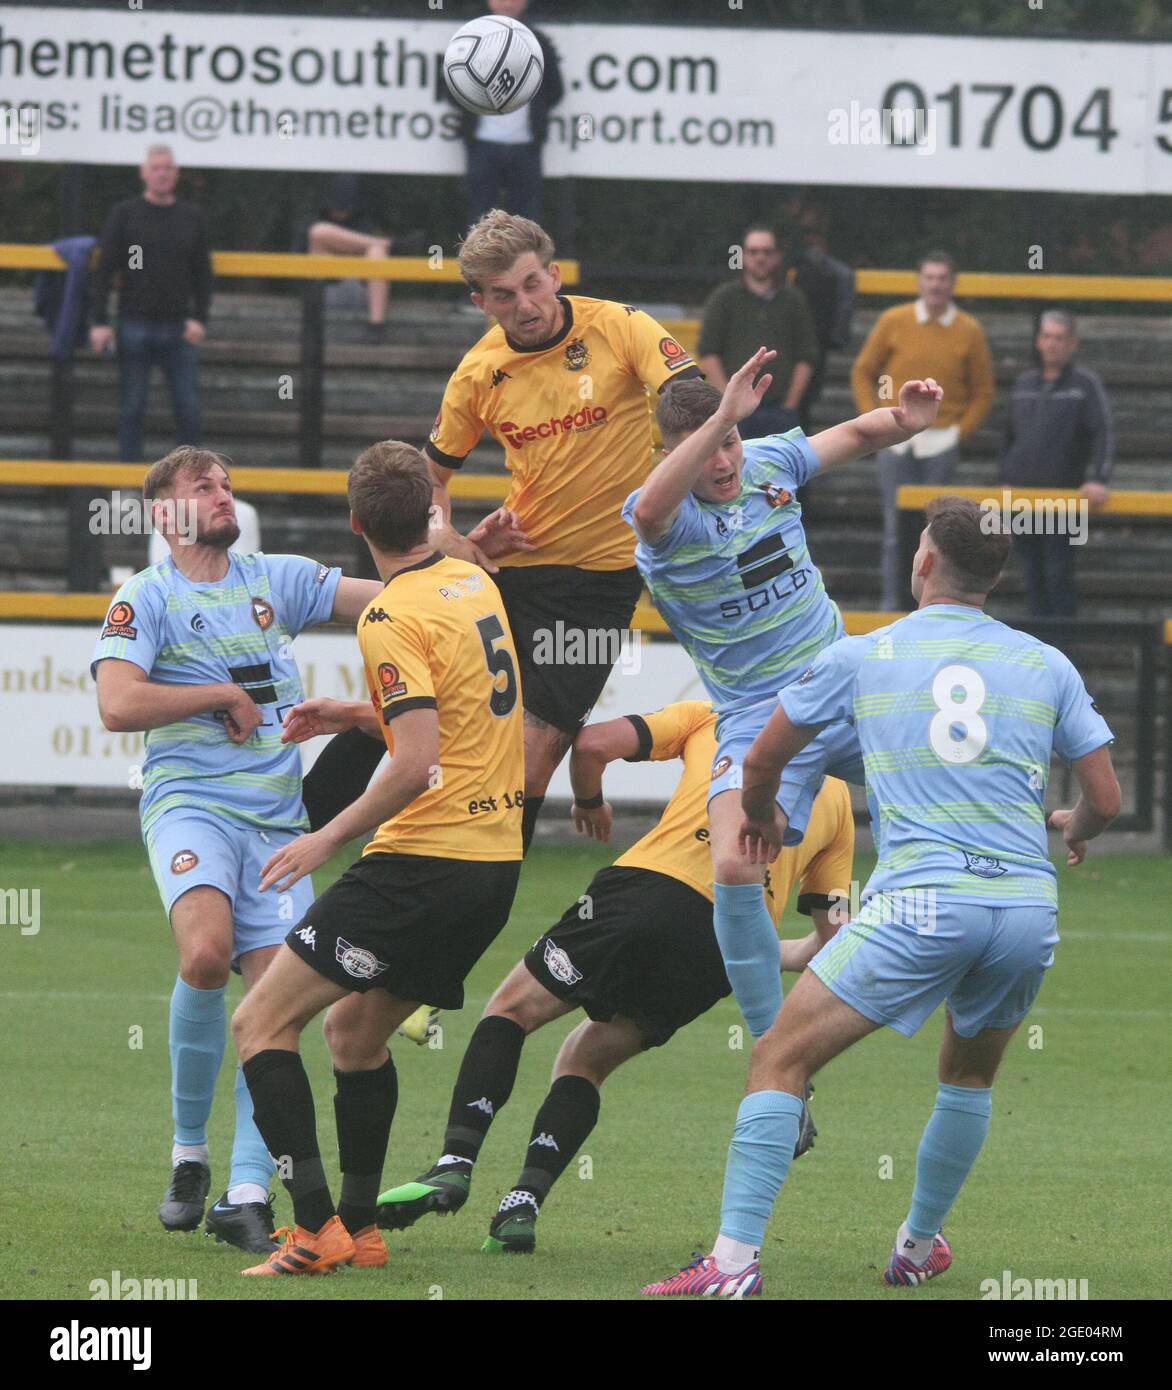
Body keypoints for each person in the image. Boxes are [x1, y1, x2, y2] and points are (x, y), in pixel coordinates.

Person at [641, 495, 1119, 1297]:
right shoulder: (1044, 663)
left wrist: (761, 816)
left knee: (777, 1057)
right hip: (1025, 910)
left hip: (923, 904)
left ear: (923, 562)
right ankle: (916, 1246)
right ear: (993, 579)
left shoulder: (865, 655)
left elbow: (760, 759)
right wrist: (1074, 826)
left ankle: (729, 1265)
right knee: (966, 1079)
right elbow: (1102, 795)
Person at [374, 700, 852, 1254]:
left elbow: (592, 743)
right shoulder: (838, 791)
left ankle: (454, 1163)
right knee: (585, 1062)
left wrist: (589, 801)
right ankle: (522, 1202)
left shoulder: (717, 714)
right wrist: (762, 948)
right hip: (721, 946)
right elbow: (830, 937)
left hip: (645, 891)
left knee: (510, 1011)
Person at [304, 208, 704, 856]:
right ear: (480, 301)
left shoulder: (618, 326)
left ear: (552, 274)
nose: (525, 305)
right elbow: (429, 481)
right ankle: (299, 827)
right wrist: (449, 540)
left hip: (596, 587)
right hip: (503, 573)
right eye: (503, 295)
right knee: (432, 705)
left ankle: (475, 870)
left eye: (531, 284)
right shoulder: (477, 374)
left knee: (529, 757)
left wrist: (714, 436)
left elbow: (686, 396)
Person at [230, 441, 525, 1276]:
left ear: (356, 524)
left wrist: (325, 837)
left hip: (422, 863)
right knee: (354, 1034)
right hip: (491, 869)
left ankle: (311, 1227)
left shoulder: (388, 615)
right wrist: (355, 713)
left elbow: (415, 760)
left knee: (259, 1022)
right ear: (430, 513)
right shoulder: (473, 582)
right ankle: (358, 1230)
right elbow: (458, 713)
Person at [91, 446, 383, 1252]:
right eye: (200, 486)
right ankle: (190, 1153)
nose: (221, 494)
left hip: (280, 824)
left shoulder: (273, 578)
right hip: (191, 808)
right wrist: (220, 692)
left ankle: (248, 1192)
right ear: (162, 512)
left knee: (276, 1005)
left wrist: (452, 567)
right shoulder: (145, 598)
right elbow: (117, 704)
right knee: (206, 958)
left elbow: (390, 597)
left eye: (224, 483)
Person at [622, 352, 941, 1053]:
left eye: (731, 441)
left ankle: (942, 947)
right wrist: (722, 419)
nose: (724, 461)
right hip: (756, 714)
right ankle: (773, 1050)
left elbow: (853, 437)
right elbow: (647, 511)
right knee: (736, 863)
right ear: (672, 454)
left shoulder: (767, 461)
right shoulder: (661, 516)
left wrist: (903, 419)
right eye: (706, 447)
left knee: (937, 790)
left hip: (843, 683)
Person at [850, 251, 995, 609]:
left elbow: (983, 390)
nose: (935, 284)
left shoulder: (968, 330)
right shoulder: (894, 320)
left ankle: (935, 607)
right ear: (919, 281)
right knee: (893, 534)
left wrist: (959, 433)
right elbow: (863, 371)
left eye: (942, 278)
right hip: (897, 442)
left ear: (953, 283)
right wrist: (877, 418)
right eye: (929, 277)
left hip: (941, 444)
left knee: (940, 533)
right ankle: (891, 609)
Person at [90, 146, 212, 463]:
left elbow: (203, 273)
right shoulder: (125, 214)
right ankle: (131, 480)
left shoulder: (191, 216)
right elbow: (104, 271)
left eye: (168, 167)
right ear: (144, 173)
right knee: (132, 408)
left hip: (179, 327)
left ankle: (193, 482)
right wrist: (99, 321)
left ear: (177, 173)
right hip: (134, 324)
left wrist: (200, 318)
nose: (163, 173)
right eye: (156, 167)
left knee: (188, 410)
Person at [999, 309, 1114, 618]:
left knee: (1058, 573)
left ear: (1072, 344)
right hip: (1023, 499)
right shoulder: (1023, 383)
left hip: (1065, 499)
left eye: (1060, 338)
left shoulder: (1085, 384)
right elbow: (1008, 436)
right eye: (1047, 337)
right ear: (1038, 341)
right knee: (1032, 575)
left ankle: (1064, 655)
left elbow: (1103, 433)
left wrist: (1099, 478)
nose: (1052, 344)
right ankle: (1038, 657)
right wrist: (1005, 477)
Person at [698, 224, 820, 440]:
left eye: (767, 252)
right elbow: (708, 352)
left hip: (780, 411)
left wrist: (790, 405)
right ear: (743, 255)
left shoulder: (794, 300)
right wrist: (729, 400)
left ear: (777, 256)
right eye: (754, 251)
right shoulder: (724, 298)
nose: (760, 258)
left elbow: (807, 356)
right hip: (736, 412)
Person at [458, 0, 565, 227]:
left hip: (525, 146)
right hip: (482, 145)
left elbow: (555, 90)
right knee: (479, 220)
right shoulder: (469, 39)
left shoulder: (539, 42)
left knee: (526, 222)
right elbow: (452, 86)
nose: (507, 3)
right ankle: (478, 264)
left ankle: (524, 264)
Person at [303, 174, 427, 341]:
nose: (339, 209)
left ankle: (376, 327)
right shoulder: (315, 222)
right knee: (319, 232)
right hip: (325, 295)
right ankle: (391, 244)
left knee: (377, 251)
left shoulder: (366, 224)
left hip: (364, 296)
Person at [785, 214, 856, 434]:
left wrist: (835, 337)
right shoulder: (788, 270)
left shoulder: (835, 272)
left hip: (815, 342)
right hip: (798, 343)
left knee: (804, 399)